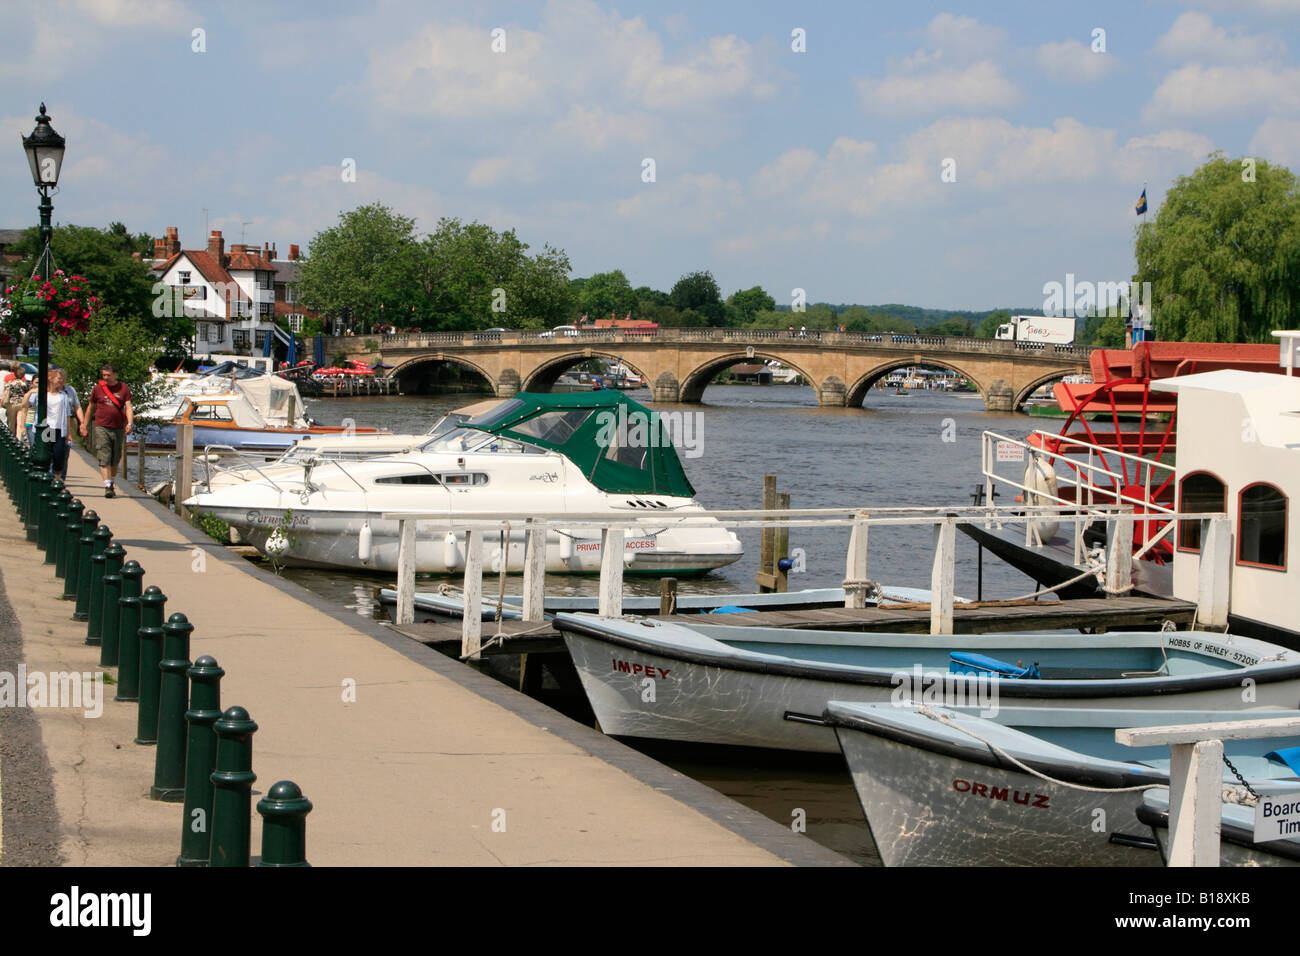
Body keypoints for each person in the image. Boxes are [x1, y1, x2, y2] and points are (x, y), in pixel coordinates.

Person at [81, 361, 133, 498]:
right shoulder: (98, 389)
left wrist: (130, 423)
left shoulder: (123, 389)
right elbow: (90, 407)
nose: (105, 378)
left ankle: (111, 480)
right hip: (101, 426)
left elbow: (128, 407)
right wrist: (84, 425)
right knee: (104, 455)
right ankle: (107, 485)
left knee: (115, 459)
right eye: (103, 375)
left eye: (108, 375)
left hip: (118, 427)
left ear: (115, 375)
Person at [22, 369, 82, 481]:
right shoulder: (41, 394)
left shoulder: (63, 395)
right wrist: (30, 392)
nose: (61, 380)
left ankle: (57, 479)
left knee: (59, 455)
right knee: (45, 454)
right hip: (46, 428)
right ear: (51, 379)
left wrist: (68, 433)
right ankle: (46, 479)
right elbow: (25, 405)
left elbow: (67, 414)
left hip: (59, 428)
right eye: (58, 378)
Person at [3, 362, 27, 436]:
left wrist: (2, 402)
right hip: (22, 403)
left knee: (11, 422)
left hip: (11, 403)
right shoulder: (24, 380)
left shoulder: (8, 379)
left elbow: (5, 392)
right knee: (20, 422)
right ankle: (19, 439)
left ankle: (11, 438)